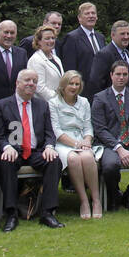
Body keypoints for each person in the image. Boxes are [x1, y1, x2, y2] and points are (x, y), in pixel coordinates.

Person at [0, 70, 63, 231]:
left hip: (35, 151)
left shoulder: (42, 105)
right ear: (17, 83)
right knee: (6, 162)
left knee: (54, 161)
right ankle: (11, 214)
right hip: (14, 150)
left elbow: (49, 133)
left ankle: (47, 212)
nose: (31, 83)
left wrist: (49, 147)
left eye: (34, 81)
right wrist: (6, 147)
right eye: (27, 80)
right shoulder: (2, 105)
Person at [90, 61, 129, 210]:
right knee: (110, 166)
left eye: (125, 74)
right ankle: (114, 195)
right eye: (118, 74)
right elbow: (100, 129)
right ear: (111, 75)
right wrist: (118, 148)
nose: (121, 77)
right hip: (109, 145)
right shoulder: (100, 98)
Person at [49, 70, 103, 220]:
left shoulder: (84, 102)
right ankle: (84, 201)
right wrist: (76, 144)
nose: (73, 87)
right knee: (73, 159)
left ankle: (96, 200)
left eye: (76, 84)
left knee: (86, 157)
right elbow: (57, 131)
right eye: (70, 84)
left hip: (82, 139)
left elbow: (87, 126)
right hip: (62, 142)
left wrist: (87, 140)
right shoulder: (53, 103)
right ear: (63, 85)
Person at [88, 20, 129, 97]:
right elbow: (96, 84)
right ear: (113, 35)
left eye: (128, 34)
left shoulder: (127, 54)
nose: (126, 37)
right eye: (122, 34)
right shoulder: (104, 55)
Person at [59, 1, 102, 81]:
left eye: (93, 13)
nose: (91, 16)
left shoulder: (100, 37)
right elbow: (70, 68)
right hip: (82, 87)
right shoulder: (72, 38)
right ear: (79, 18)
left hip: (101, 87)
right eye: (87, 13)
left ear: (97, 17)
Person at [27, 25, 66, 100]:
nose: (51, 41)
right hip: (45, 103)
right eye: (47, 38)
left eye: (53, 38)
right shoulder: (36, 60)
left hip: (59, 103)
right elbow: (39, 87)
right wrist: (58, 98)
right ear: (39, 41)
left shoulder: (56, 58)